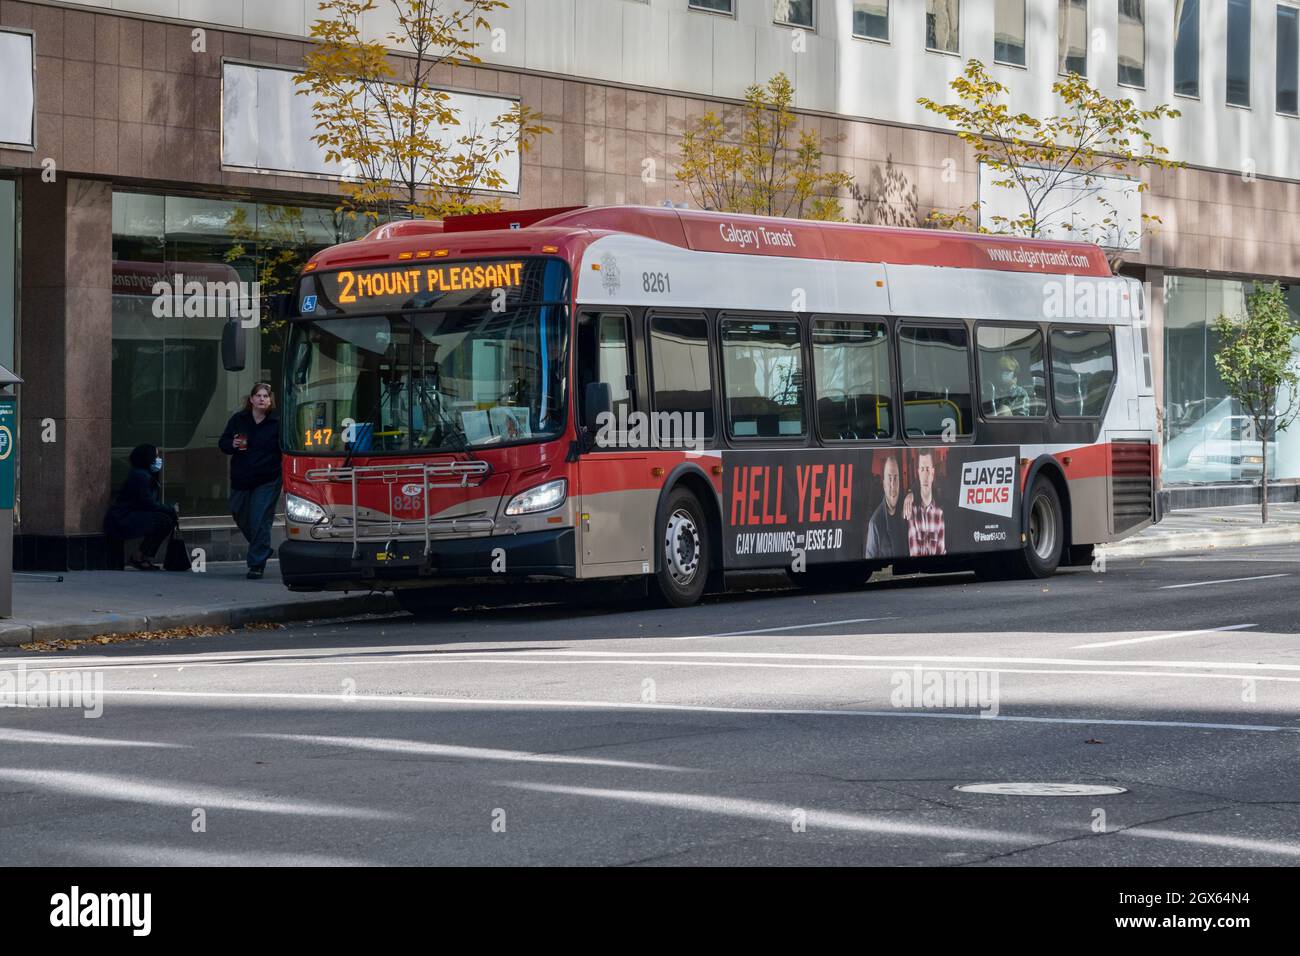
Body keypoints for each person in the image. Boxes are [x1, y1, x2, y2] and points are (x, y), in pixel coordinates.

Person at [219, 382, 283, 579]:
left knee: (259, 519)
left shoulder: (277, 422)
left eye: (266, 396)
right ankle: (262, 548)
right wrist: (233, 443)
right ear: (252, 399)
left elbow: (285, 448)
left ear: (270, 400)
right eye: (259, 396)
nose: (262, 399)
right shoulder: (239, 419)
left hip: (267, 478)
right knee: (238, 512)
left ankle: (256, 564)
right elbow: (223, 443)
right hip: (241, 477)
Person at [104, 444, 178, 571]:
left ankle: (141, 557)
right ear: (148, 458)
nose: (158, 459)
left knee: (165, 520)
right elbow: (146, 502)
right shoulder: (140, 476)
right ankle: (139, 557)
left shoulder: (143, 474)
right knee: (163, 521)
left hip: (128, 516)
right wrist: (170, 509)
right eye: (156, 456)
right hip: (122, 519)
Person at [903, 450, 946, 556]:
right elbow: (914, 553)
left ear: (932, 472)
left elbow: (941, 552)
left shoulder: (940, 512)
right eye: (922, 469)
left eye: (927, 469)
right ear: (918, 472)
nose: (925, 474)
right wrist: (910, 492)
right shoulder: (912, 511)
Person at [865, 455, 907, 559]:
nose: (893, 485)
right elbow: (870, 569)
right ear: (883, 484)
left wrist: (912, 493)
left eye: (896, 478)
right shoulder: (875, 524)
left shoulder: (907, 508)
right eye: (889, 478)